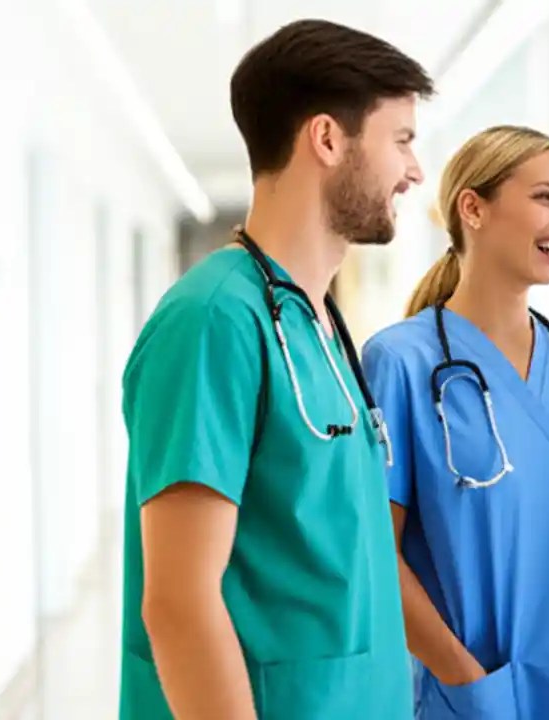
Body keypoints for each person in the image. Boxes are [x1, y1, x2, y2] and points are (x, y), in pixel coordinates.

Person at [118, 19, 433, 720]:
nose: (415, 171)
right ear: (327, 138)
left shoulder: (317, 323)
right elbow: (177, 602)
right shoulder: (214, 320)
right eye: (402, 140)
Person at [360, 125, 549, 720]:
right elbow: (376, 554)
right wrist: (470, 686)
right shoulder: (402, 362)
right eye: (545, 197)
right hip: (469, 701)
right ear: (473, 208)